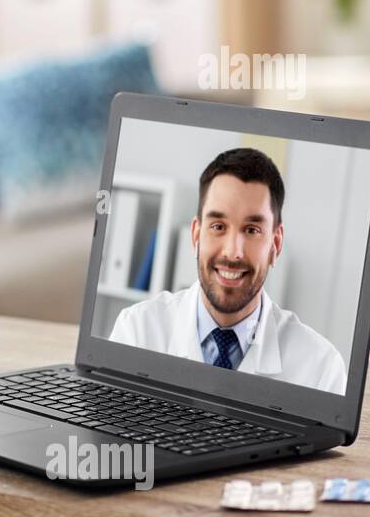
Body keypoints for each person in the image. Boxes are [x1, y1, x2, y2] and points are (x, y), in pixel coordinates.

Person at [109, 148, 347, 394]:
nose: (233, 252)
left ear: (275, 244)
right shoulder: (136, 332)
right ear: (196, 235)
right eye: (218, 226)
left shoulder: (320, 369)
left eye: (252, 230)